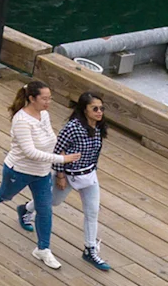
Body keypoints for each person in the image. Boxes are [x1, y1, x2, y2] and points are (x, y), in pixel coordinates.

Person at [0, 79, 80, 270]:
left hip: (42, 172)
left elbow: (49, 139)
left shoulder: (44, 115)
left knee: (45, 209)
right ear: (31, 98)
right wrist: (61, 159)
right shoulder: (21, 120)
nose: (48, 102)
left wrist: (60, 153)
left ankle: (43, 249)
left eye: (50, 98)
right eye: (44, 99)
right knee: (4, 195)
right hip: (19, 171)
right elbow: (30, 152)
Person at [15, 90, 113, 272]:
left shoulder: (99, 127)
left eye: (101, 108)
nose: (100, 112)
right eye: (95, 109)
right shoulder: (72, 128)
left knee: (92, 212)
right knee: (52, 201)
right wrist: (60, 176)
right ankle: (26, 209)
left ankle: (90, 249)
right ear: (84, 110)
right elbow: (58, 151)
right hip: (69, 175)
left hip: (89, 175)